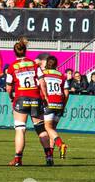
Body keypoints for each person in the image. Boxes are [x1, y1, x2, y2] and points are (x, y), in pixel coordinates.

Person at [6, 38, 53, 167]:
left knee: (20, 129)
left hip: (21, 98)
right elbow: (42, 82)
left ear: (14, 52)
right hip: (35, 98)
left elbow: (8, 87)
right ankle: (48, 156)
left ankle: (18, 159)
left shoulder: (12, 67)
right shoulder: (34, 64)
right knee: (41, 129)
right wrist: (46, 97)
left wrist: (11, 97)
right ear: (25, 51)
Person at [39, 55, 70, 161]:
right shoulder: (62, 75)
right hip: (59, 104)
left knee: (48, 128)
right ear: (56, 64)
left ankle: (60, 144)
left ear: (47, 63)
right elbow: (66, 93)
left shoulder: (43, 74)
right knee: (53, 129)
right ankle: (50, 157)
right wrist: (63, 105)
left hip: (49, 103)